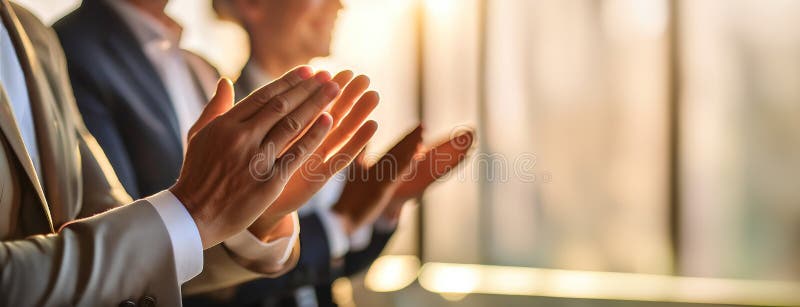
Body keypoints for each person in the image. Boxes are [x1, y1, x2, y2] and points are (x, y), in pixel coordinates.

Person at [0, 0, 355, 305]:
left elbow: (118, 228)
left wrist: (252, 224)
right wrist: (199, 210)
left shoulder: (32, 37)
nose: (340, 5)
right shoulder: (75, 44)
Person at [193, 1, 475, 306]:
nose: (340, 5)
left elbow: (331, 267)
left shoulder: (327, 120)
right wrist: (341, 220)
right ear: (252, 4)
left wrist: (385, 205)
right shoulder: (219, 127)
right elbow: (211, 281)